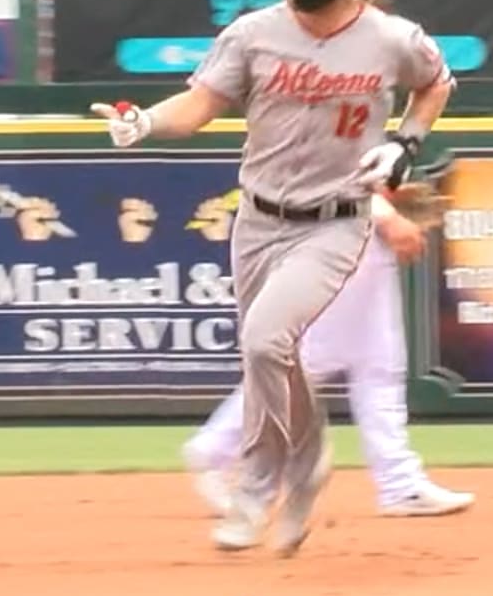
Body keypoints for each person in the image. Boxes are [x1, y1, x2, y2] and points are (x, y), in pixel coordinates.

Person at [95, 0, 455, 556]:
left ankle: (256, 490)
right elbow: (200, 106)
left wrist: (406, 143)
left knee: (267, 341)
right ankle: (308, 461)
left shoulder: (391, 38)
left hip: (335, 222)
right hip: (257, 220)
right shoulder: (252, 34)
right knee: (266, 357)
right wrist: (143, 123)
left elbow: (435, 84)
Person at [182, 187, 475, 519]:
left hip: (358, 233)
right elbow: (334, 172)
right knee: (314, 359)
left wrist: (388, 193)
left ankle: (399, 482)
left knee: (377, 363)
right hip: (336, 230)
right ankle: (215, 448)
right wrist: (386, 213)